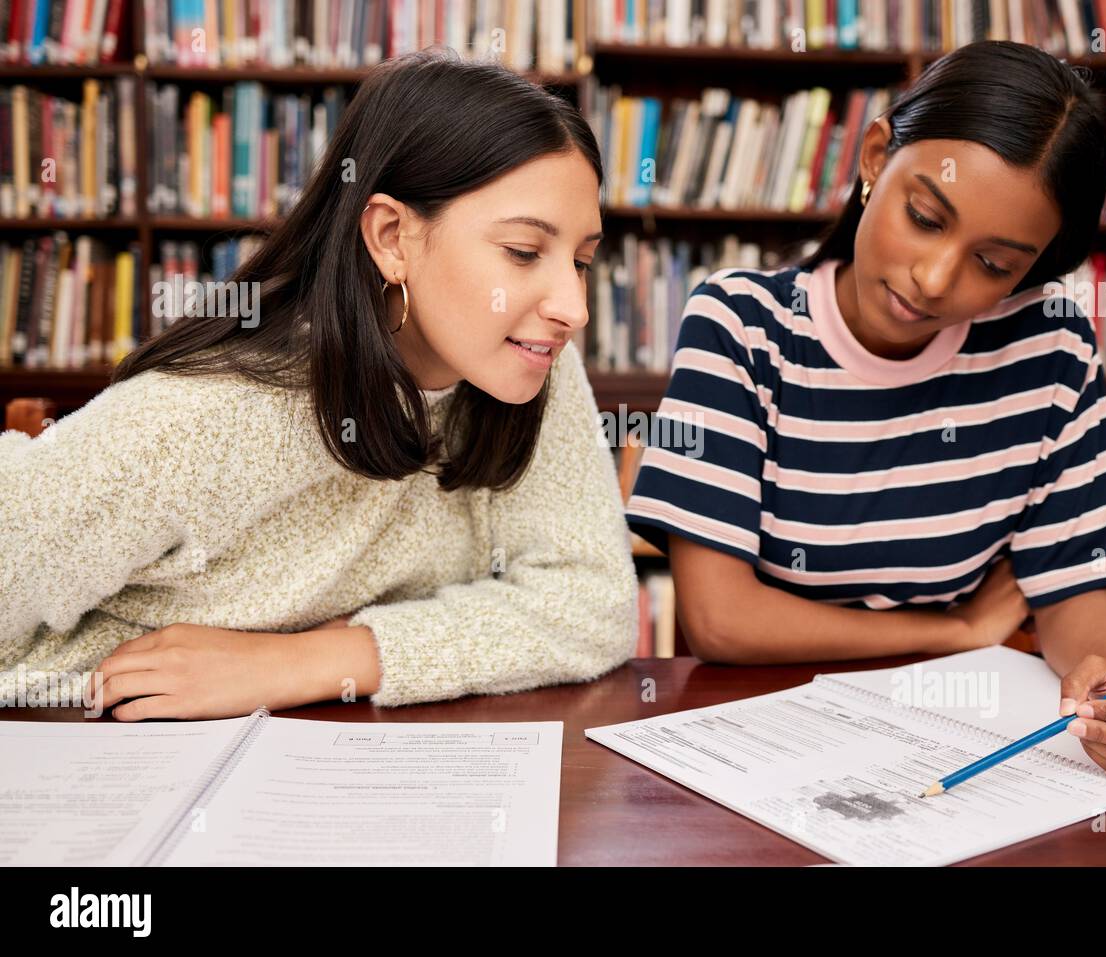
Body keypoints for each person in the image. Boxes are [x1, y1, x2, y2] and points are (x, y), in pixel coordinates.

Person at [0, 51, 637, 720]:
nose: (574, 306)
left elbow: (593, 601)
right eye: (524, 253)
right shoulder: (205, 417)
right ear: (391, 237)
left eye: (583, 261)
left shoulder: (527, 361)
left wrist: (312, 661)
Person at [627, 41, 1106, 778]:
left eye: (994, 264)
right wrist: (957, 628)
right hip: (760, 734)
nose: (932, 279)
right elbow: (721, 620)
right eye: (926, 216)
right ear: (873, 158)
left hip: (949, 724)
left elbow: (1073, 586)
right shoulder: (739, 324)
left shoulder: (1048, 348)